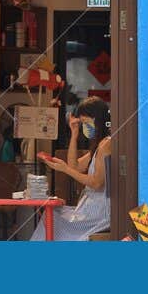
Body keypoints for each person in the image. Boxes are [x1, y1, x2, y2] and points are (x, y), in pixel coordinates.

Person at [30, 98, 111, 241]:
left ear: (96, 119)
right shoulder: (99, 145)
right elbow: (75, 166)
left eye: (86, 122)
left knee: (52, 217)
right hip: (88, 209)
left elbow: (97, 183)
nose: (84, 127)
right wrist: (74, 135)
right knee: (51, 213)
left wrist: (65, 169)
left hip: (98, 213)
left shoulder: (106, 145)